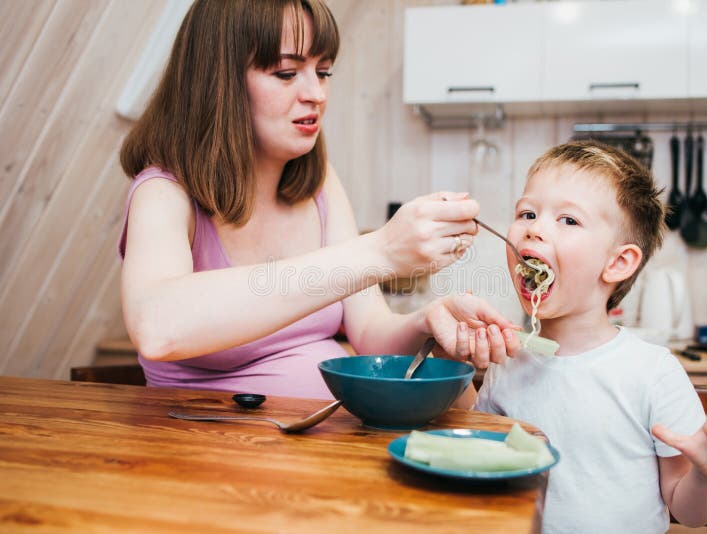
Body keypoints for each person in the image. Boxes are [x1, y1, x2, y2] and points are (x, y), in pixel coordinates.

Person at [118, 0, 518, 398]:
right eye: (287, 73)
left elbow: (370, 335)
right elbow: (157, 327)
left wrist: (427, 322)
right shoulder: (163, 191)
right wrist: (380, 250)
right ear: (216, 82)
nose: (316, 94)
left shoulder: (320, 184)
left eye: (323, 71)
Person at [450, 140, 707, 533]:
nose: (534, 229)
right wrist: (452, 362)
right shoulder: (508, 361)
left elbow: (689, 511)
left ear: (618, 262)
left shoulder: (653, 373)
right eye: (528, 213)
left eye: (568, 220)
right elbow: (476, 457)